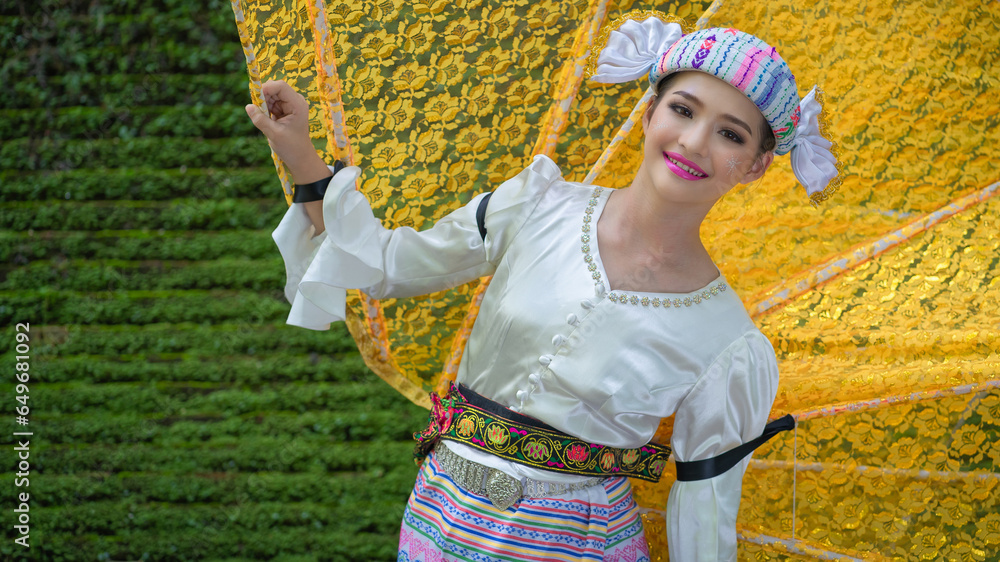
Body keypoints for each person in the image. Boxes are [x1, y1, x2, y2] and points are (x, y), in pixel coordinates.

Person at [246, 15, 837, 562]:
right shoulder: (536, 204)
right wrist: (299, 152)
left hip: (581, 545)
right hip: (436, 522)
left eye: (730, 134)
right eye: (683, 109)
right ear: (650, 109)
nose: (693, 141)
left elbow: (704, 517)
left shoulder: (729, 344)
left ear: (756, 165)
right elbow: (386, 266)